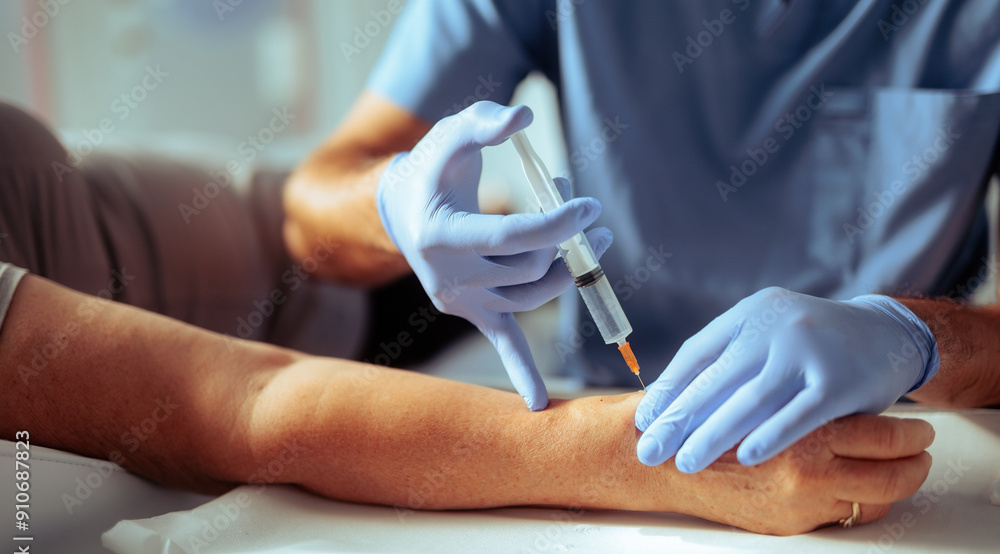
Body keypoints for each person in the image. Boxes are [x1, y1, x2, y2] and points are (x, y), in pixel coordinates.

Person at [0, 101, 932, 536]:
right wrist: (649, 453)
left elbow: (299, 209)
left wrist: (389, 205)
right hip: (247, 340)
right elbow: (235, 403)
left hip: (259, 260)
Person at [283, 0, 1000, 480]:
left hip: (902, 440)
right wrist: (395, 201)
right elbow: (309, 217)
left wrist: (915, 337)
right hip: (616, 408)